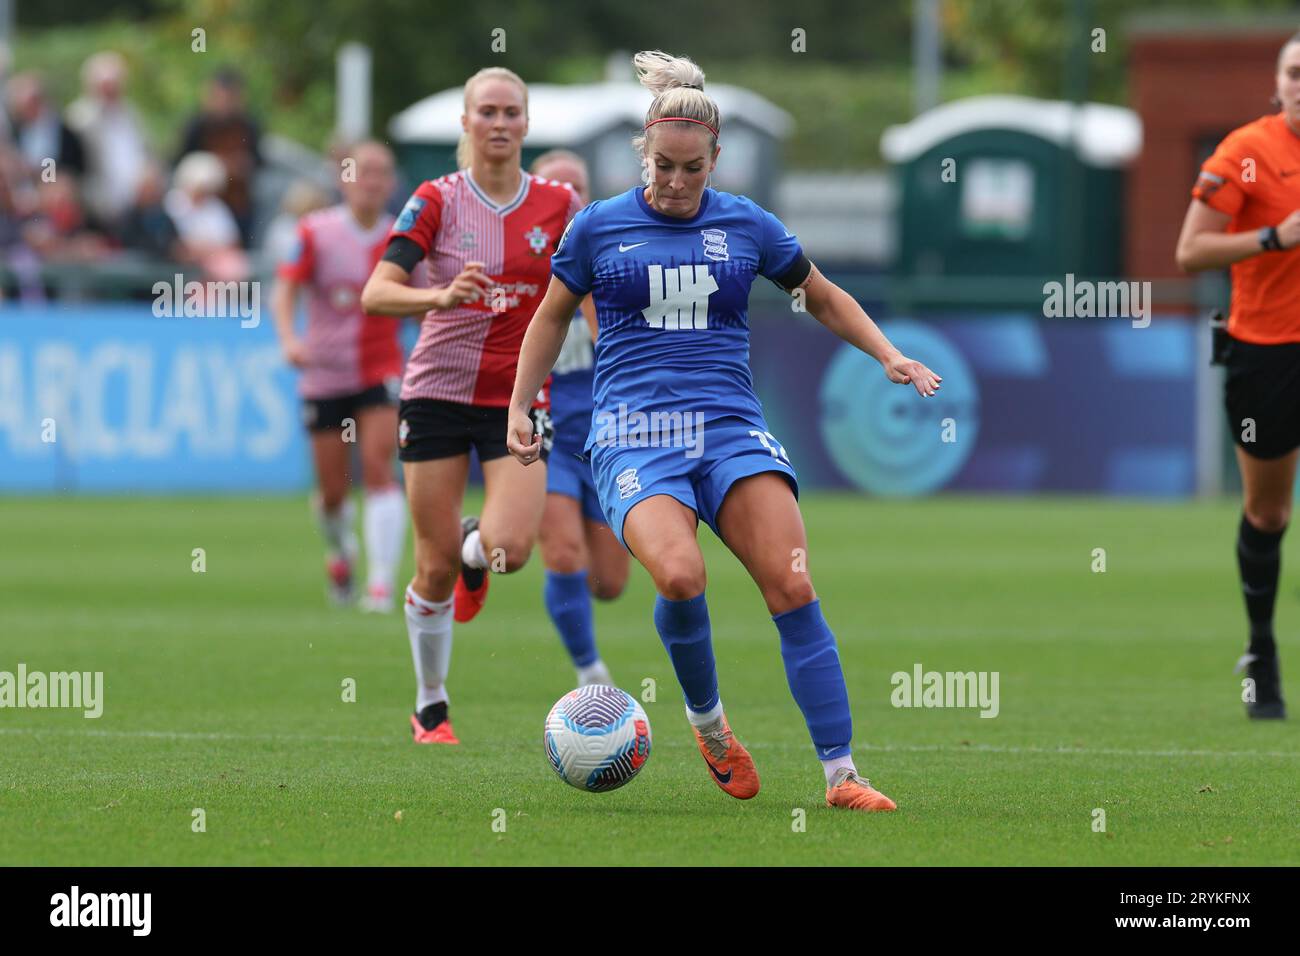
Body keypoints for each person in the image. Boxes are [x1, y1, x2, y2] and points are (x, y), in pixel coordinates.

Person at [508, 51, 942, 812]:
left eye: (692, 169)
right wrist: (519, 406)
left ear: (716, 160)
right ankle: (709, 725)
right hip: (632, 435)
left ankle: (842, 776)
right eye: (664, 166)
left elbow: (822, 294)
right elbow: (549, 319)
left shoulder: (748, 223)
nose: (676, 184)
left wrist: (888, 354)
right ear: (644, 151)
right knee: (679, 576)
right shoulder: (598, 228)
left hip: (731, 430)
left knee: (794, 582)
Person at [361, 67, 581, 744]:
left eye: (511, 112)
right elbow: (376, 291)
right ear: (466, 123)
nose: (499, 123)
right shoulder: (435, 200)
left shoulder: (560, 203)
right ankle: (431, 705)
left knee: (511, 548)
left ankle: (474, 549)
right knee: (431, 568)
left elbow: (591, 279)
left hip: (518, 400)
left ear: (526, 124)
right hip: (435, 395)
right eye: (486, 111)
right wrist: (438, 296)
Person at [1174, 30, 1300, 720]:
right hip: (1268, 352)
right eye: (1294, 71)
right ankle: (1261, 649)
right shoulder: (1247, 154)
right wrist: (1274, 237)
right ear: (1277, 82)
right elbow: (1190, 250)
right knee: (1269, 511)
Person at [273, 141, 410, 612]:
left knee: (378, 466)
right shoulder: (315, 232)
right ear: (344, 179)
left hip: (381, 369)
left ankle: (380, 585)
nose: (371, 181)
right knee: (332, 494)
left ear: (391, 183)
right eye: (362, 172)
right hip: (325, 374)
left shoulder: (403, 239)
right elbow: (285, 289)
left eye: (381, 173)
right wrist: (290, 338)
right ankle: (341, 551)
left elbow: (427, 294)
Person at [529, 149, 627, 688]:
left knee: (610, 582)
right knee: (563, 552)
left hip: (606, 438)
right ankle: (591, 673)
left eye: (576, 192)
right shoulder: (524, 268)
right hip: (546, 436)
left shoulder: (614, 263)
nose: (567, 204)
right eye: (555, 191)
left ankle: (494, 532)